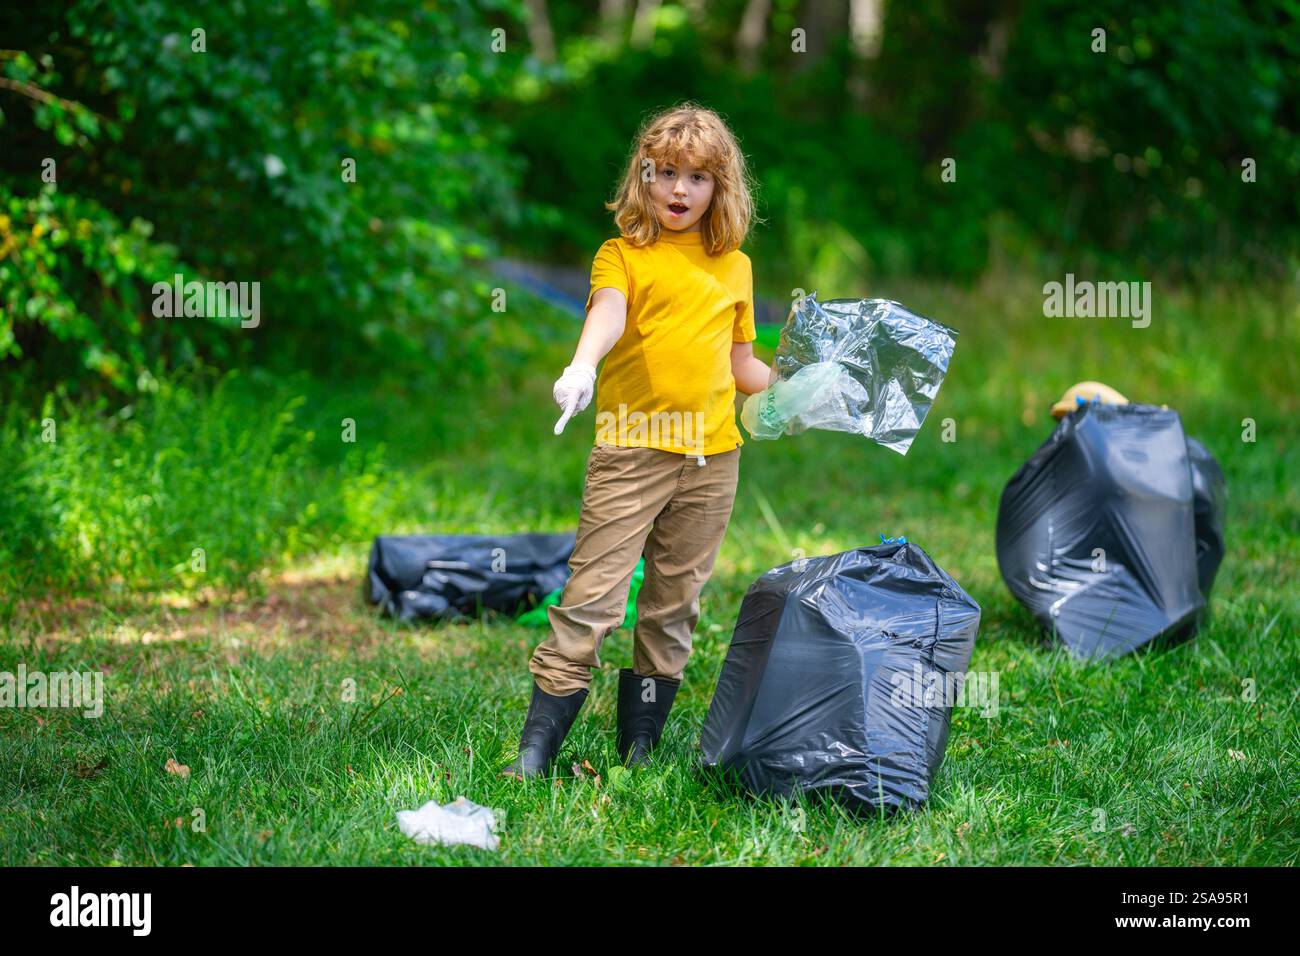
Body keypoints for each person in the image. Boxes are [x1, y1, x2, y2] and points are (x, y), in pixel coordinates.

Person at [502, 103, 773, 778]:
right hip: (633, 449)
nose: (680, 190)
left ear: (721, 188)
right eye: (666, 173)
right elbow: (607, 312)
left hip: (712, 460)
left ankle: (639, 749)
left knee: (673, 607)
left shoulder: (733, 266)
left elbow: (742, 366)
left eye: (698, 178)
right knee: (592, 598)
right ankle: (535, 754)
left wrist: (803, 389)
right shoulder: (623, 255)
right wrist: (581, 365)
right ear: (644, 177)